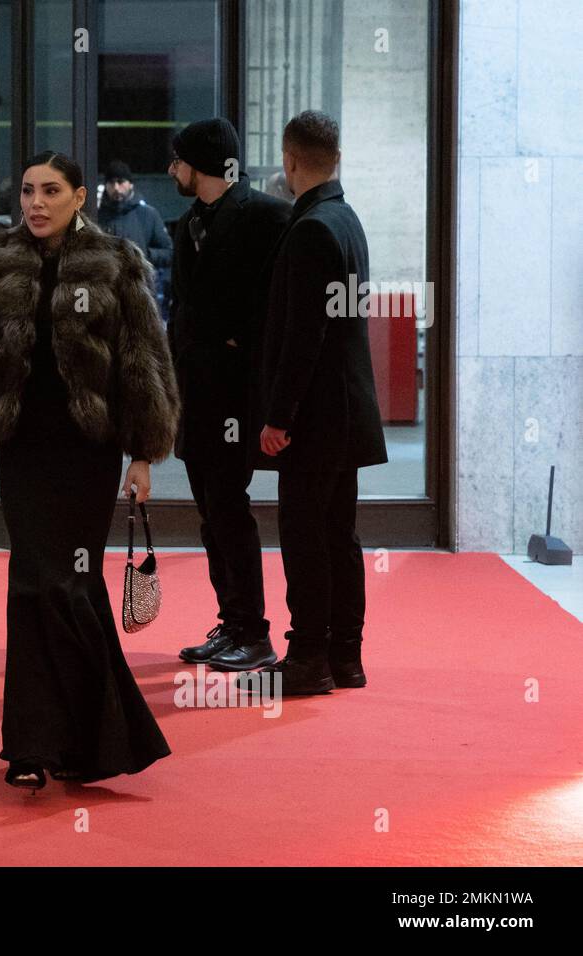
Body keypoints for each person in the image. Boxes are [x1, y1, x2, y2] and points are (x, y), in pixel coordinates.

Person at [0, 150, 179, 789]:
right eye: (27, 190)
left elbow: (144, 363)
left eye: (51, 190)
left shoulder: (116, 265)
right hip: (23, 452)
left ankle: (91, 737)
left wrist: (143, 453)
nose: (35, 202)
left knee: (72, 583)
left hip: (88, 453)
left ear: (80, 197)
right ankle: (32, 746)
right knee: (32, 582)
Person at [255, 110, 387, 695]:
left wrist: (279, 417)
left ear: (289, 161)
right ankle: (345, 657)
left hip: (314, 417)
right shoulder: (347, 219)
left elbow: (303, 337)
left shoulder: (310, 228)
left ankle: (307, 657)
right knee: (340, 535)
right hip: (348, 410)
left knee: (306, 536)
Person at [165, 118, 291, 672]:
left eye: (177, 160)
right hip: (197, 393)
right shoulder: (191, 221)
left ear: (199, 163)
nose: (171, 170)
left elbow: (284, 301)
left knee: (229, 511)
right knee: (212, 513)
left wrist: (247, 339)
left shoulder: (266, 215)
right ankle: (234, 622)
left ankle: (254, 633)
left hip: (237, 397)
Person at [97, 159, 173, 287]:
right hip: (106, 293)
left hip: (139, 291)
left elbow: (169, 253)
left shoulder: (148, 215)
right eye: (111, 182)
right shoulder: (96, 215)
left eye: (120, 182)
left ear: (130, 184)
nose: (116, 187)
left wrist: (145, 255)